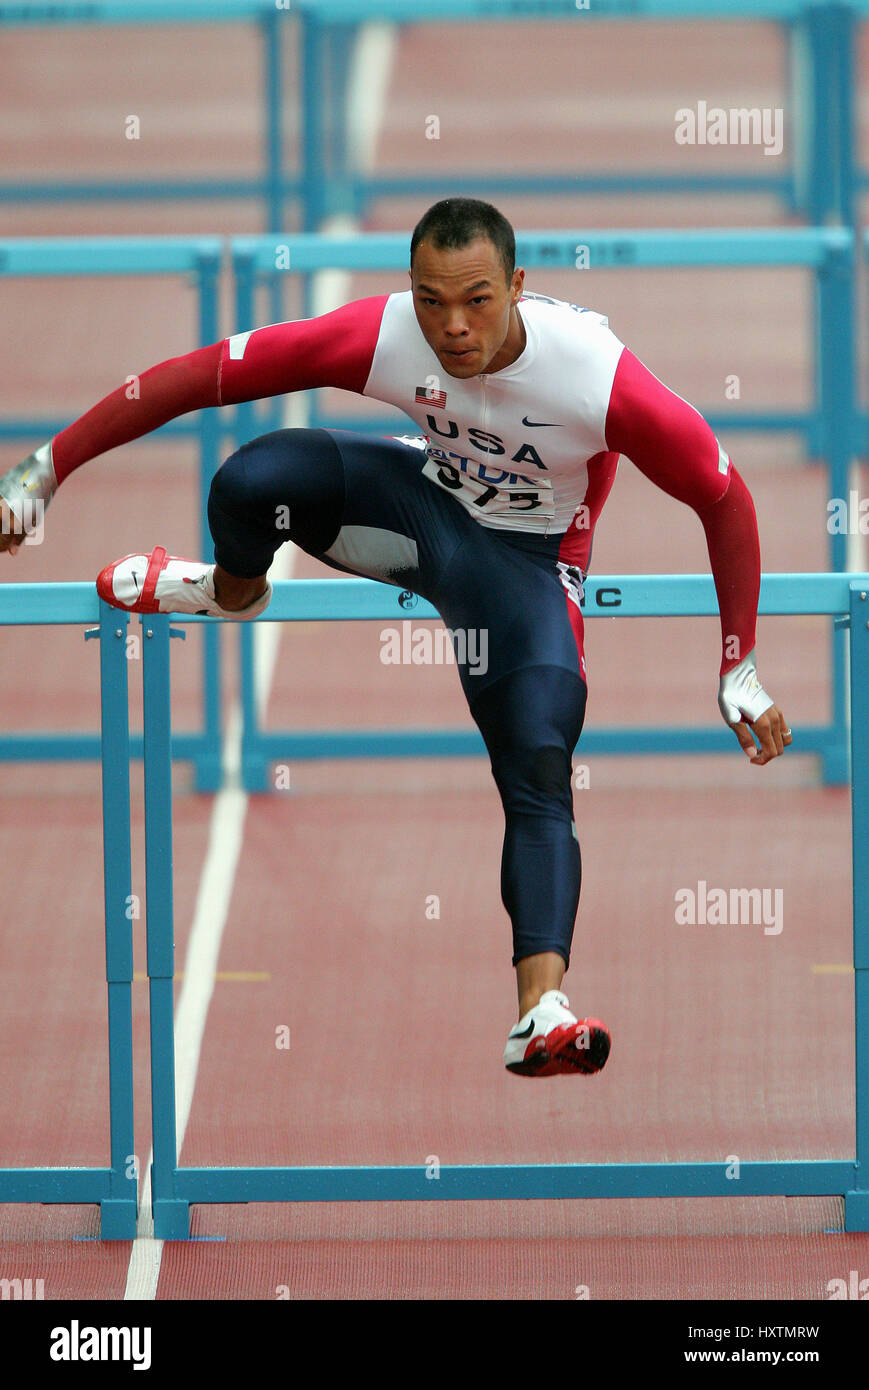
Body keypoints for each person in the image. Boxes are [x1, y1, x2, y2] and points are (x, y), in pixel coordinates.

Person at [0, 198, 792, 1078]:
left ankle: (540, 1011)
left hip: (523, 569)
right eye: (430, 301)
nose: (452, 328)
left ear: (518, 288)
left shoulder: (596, 378)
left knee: (537, 755)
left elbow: (724, 499)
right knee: (251, 481)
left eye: (478, 301)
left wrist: (738, 664)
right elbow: (198, 375)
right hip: (421, 506)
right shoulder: (384, 336)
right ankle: (227, 594)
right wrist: (48, 467)